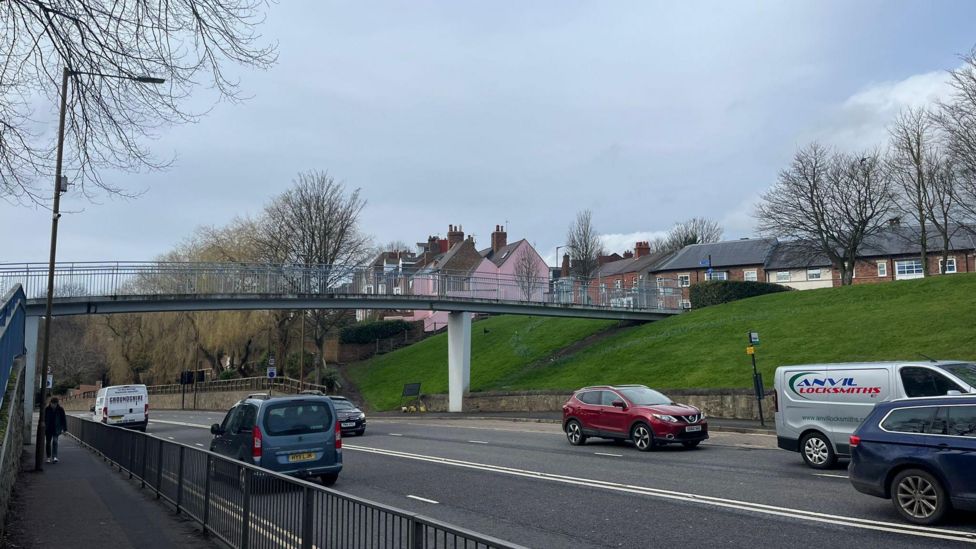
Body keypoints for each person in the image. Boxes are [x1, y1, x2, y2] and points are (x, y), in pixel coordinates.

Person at [44, 397, 67, 464]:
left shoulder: (60, 409)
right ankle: (48, 457)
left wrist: (65, 429)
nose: (54, 405)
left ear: (57, 403)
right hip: (48, 429)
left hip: (56, 428)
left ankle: (54, 457)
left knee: (55, 441)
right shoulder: (47, 409)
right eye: (53, 404)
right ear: (50, 403)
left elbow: (63, 419)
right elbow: (44, 418)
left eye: (55, 404)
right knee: (48, 443)